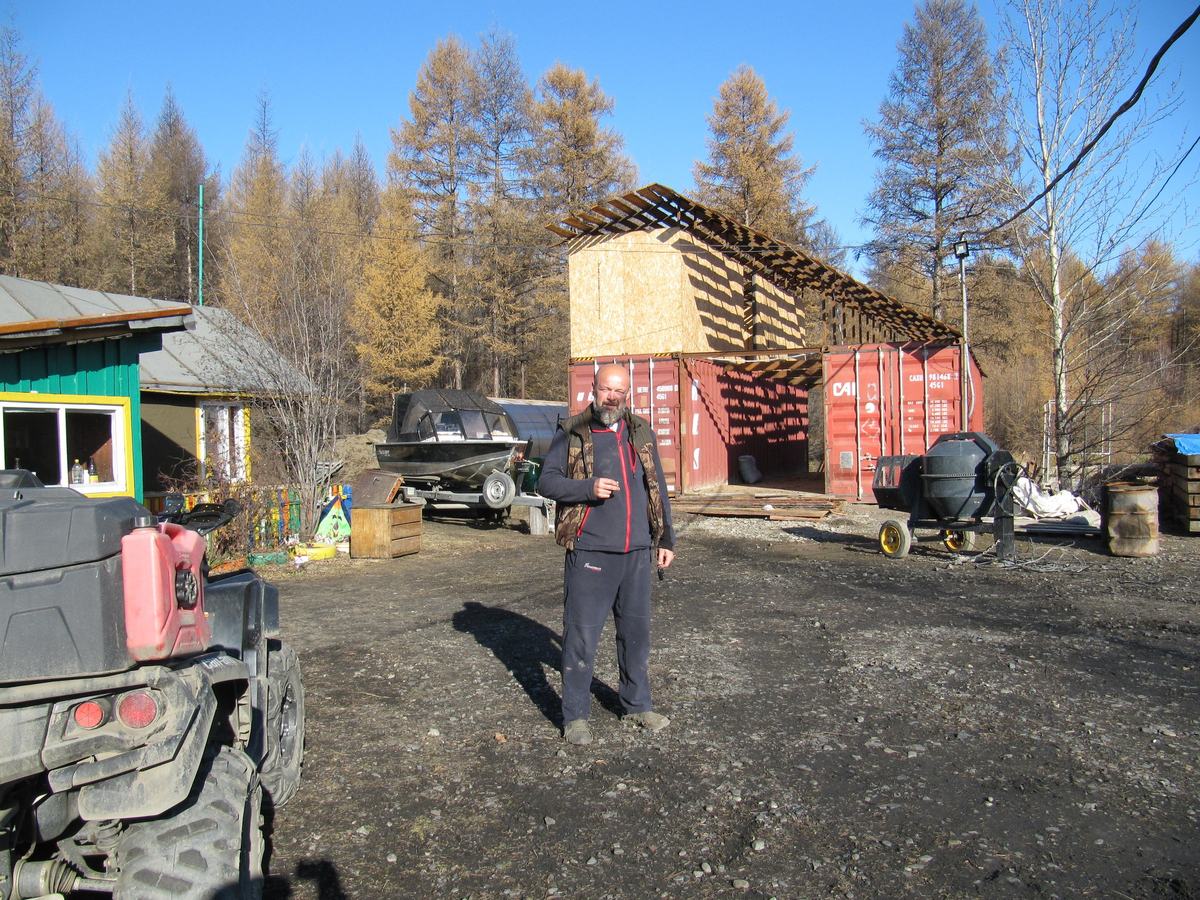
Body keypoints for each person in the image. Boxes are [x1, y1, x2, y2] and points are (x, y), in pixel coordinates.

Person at [538, 364, 676, 745]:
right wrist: (587, 487)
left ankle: (637, 706)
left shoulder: (639, 432)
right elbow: (545, 481)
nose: (612, 397)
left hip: (636, 553)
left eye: (620, 392)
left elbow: (657, 487)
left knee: (635, 635)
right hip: (591, 551)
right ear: (593, 389)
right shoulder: (573, 432)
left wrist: (666, 540)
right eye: (606, 389)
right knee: (581, 637)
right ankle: (575, 717)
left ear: (627, 395)